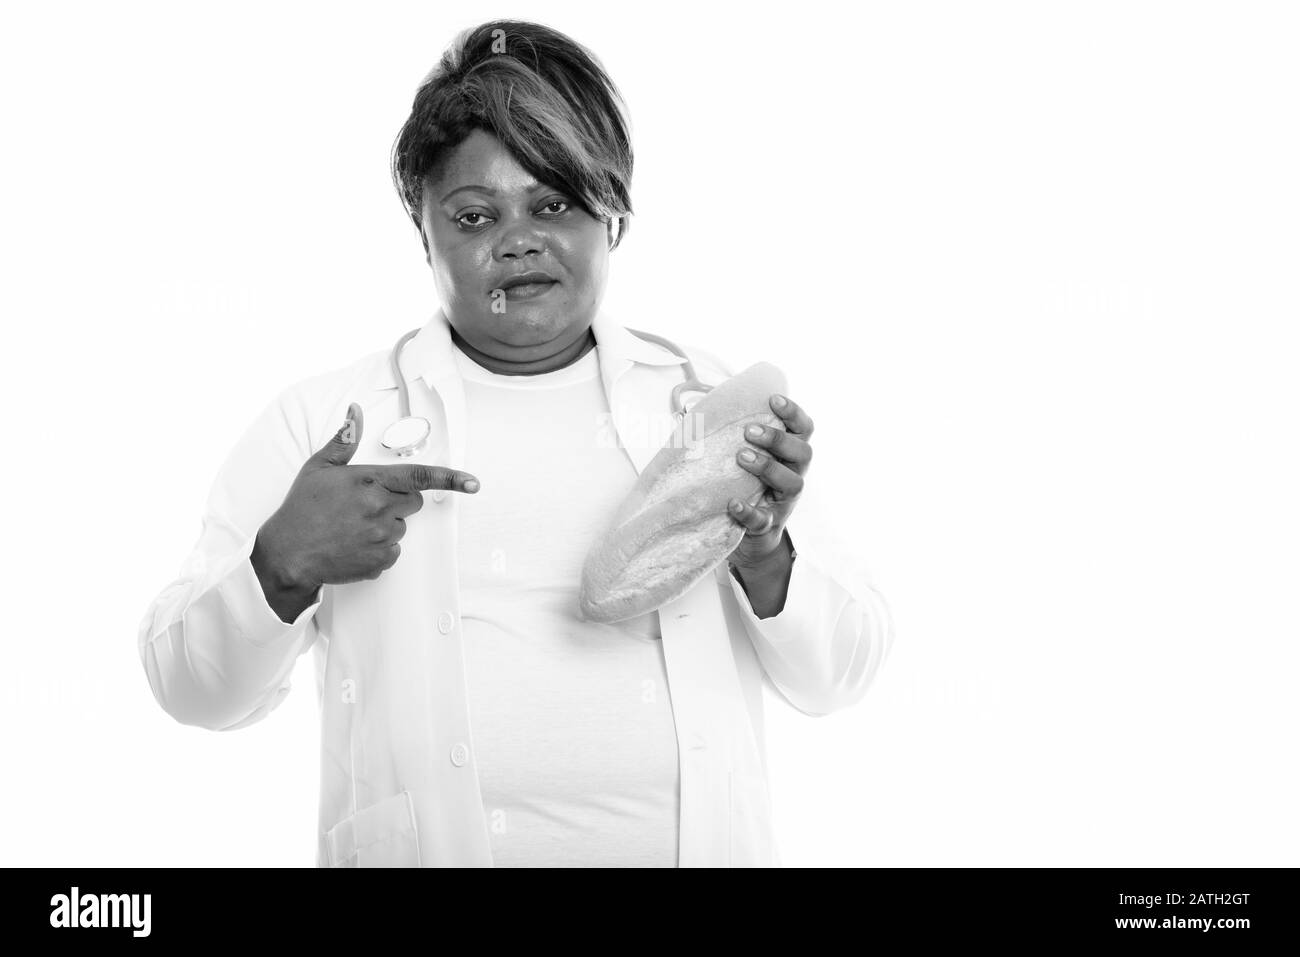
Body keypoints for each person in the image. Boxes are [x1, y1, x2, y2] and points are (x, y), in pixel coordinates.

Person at [137, 18, 895, 867]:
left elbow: (843, 677)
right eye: (473, 214)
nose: (518, 239)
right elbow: (189, 691)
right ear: (424, 235)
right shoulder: (329, 425)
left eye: (554, 203)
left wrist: (765, 555)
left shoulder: (712, 414)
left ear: (613, 217)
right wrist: (280, 565)